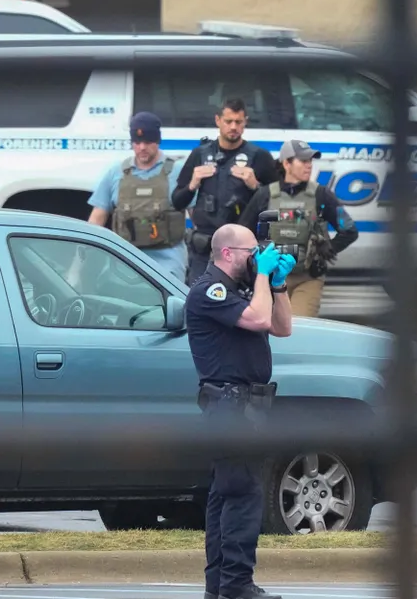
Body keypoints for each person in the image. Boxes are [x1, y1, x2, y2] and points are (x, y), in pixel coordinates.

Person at [185, 224, 295, 599]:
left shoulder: (244, 291)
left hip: (247, 407)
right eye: (252, 251)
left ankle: (219, 587)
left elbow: (282, 327)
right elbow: (258, 320)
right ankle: (236, 585)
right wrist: (262, 275)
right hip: (229, 407)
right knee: (243, 496)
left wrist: (276, 284)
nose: (258, 256)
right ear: (228, 253)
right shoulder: (209, 291)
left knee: (226, 496)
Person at [238, 139, 359, 317]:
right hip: (271, 277)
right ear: (286, 163)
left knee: (299, 329)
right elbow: (242, 232)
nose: (309, 166)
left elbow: (349, 230)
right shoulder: (265, 195)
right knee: (268, 330)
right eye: (303, 161)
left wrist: (328, 249)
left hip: (308, 278)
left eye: (310, 161)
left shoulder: (321, 195)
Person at [171, 98, 280, 286]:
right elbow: (177, 202)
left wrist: (256, 186)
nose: (233, 127)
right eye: (228, 121)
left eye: (238, 122)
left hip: (242, 249)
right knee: (197, 302)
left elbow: (279, 203)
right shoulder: (200, 154)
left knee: (239, 307)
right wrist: (192, 184)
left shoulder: (259, 156)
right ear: (218, 121)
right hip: (204, 249)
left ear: (245, 122)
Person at [86, 111, 187, 282]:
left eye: (148, 142)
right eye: (137, 142)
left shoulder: (177, 171)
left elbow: (199, 215)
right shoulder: (115, 173)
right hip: (124, 264)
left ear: (158, 141)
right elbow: (97, 219)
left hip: (168, 267)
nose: (142, 147)